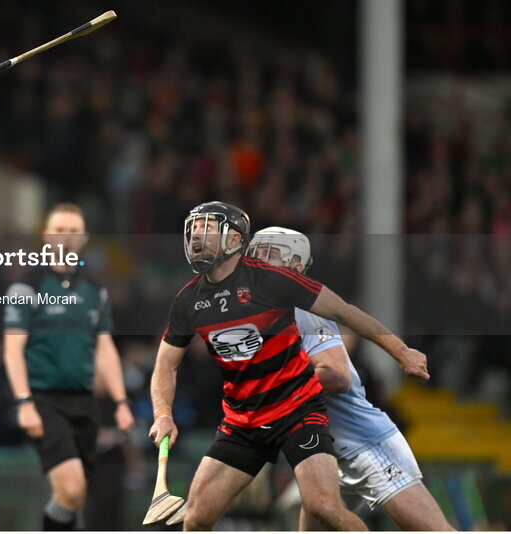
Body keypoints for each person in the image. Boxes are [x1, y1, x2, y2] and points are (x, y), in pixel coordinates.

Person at [149, 201, 430, 531]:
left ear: (235, 239)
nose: (197, 233)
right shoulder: (187, 300)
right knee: (196, 520)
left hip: (297, 411)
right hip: (243, 422)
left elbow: (344, 311)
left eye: (208, 226)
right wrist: (162, 414)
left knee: (323, 508)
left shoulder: (271, 280)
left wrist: (400, 350)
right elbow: (165, 365)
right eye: (194, 227)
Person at [247, 227, 455, 531]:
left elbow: (338, 377)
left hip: (364, 444)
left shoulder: (303, 309)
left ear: (295, 266)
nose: (258, 262)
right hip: (323, 452)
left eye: (269, 254)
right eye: (255, 254)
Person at [3, 203, 134, 530]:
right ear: (46, 236)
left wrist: (120, 402)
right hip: (45, 400)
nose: (66, 237)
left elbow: (104, 348)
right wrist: (24, 403)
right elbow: (12, 349)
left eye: (73, 231)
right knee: (72, 487)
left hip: (85, 401)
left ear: (84, 238)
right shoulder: (26, 286)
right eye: (59, 230)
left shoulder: (95, 291)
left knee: (73, 497)